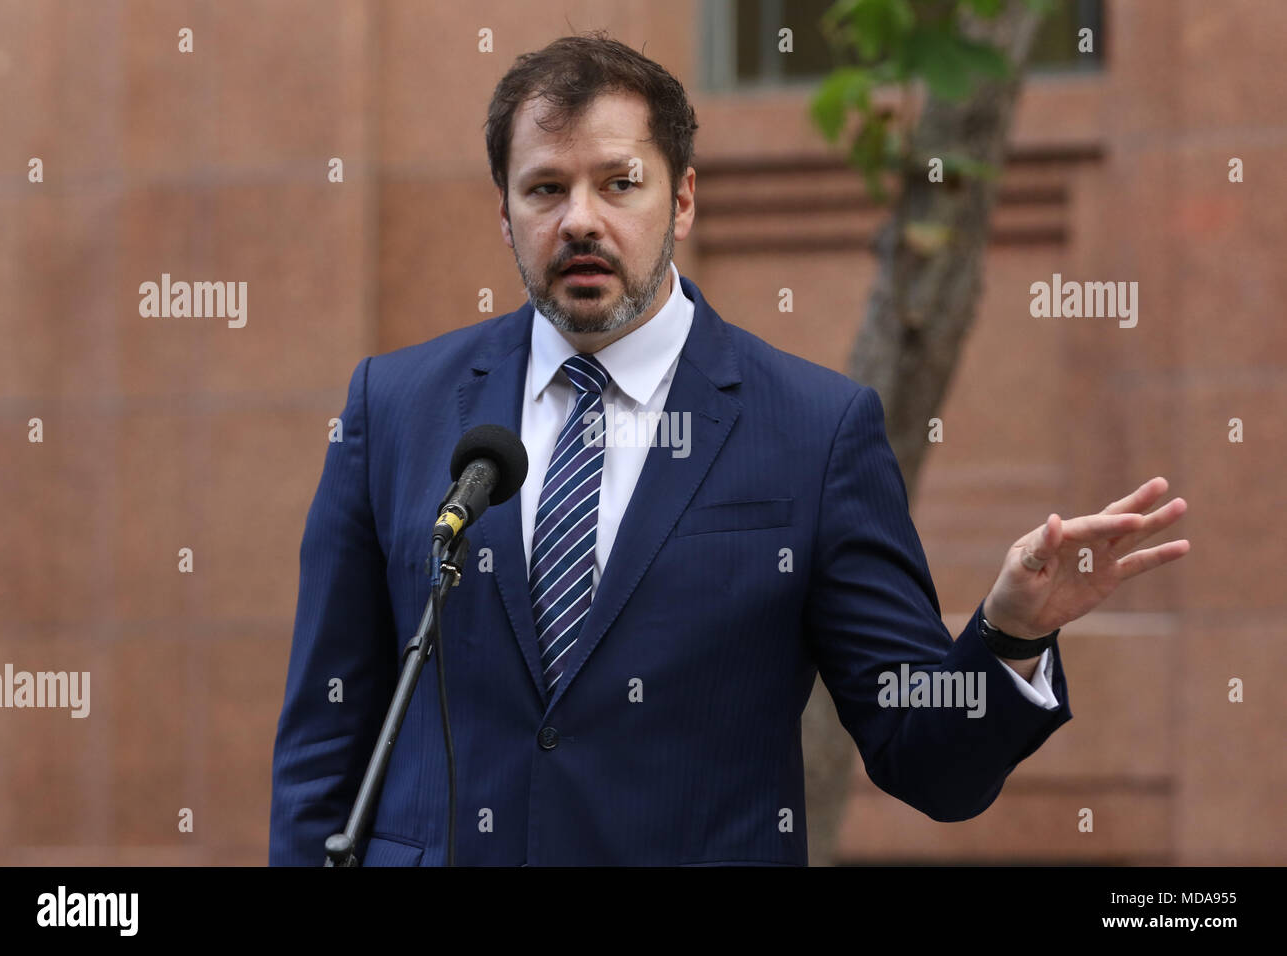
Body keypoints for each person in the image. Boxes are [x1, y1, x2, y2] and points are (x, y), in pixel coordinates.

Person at [268, 31, 1189, 866]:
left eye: (619, 183)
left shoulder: (812, 431)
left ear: (685, 199)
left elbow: (930, 767)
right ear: (505, 217)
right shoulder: (394, 409)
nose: (580, 219)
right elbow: (326, 737)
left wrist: (1010, 635)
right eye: (546, 188)